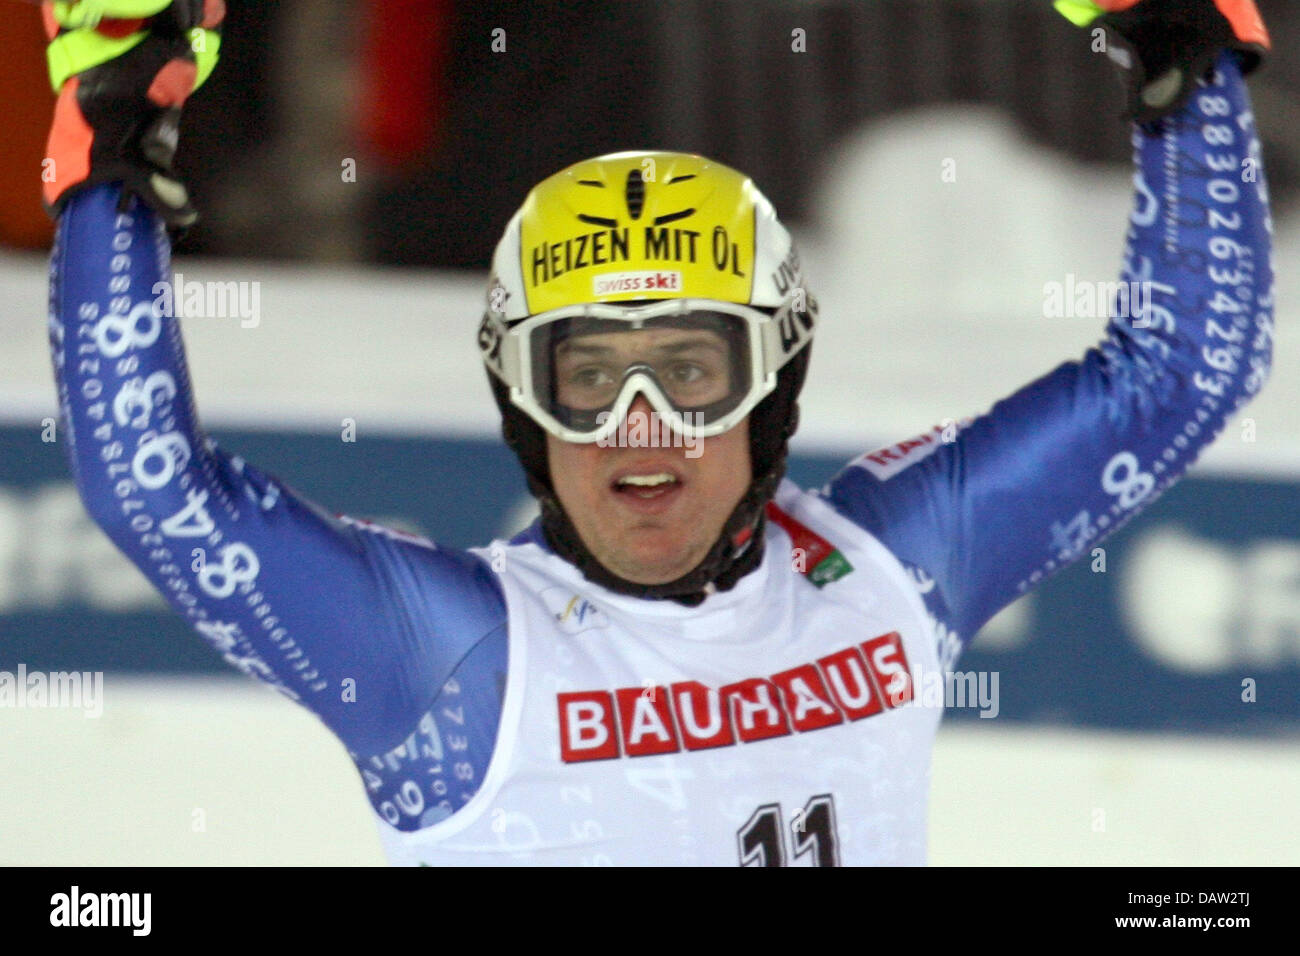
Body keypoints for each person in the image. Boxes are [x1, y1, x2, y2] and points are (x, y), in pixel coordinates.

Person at [43, 0, 1275, 865]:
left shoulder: (891, 570)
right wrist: (110, 156)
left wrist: (1181, 52)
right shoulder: (454, 656)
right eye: (586, 374)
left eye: (693, 367)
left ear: (774, 387)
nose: (645, 426)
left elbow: (1182, 369)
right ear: (524, 405)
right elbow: (156, 494)